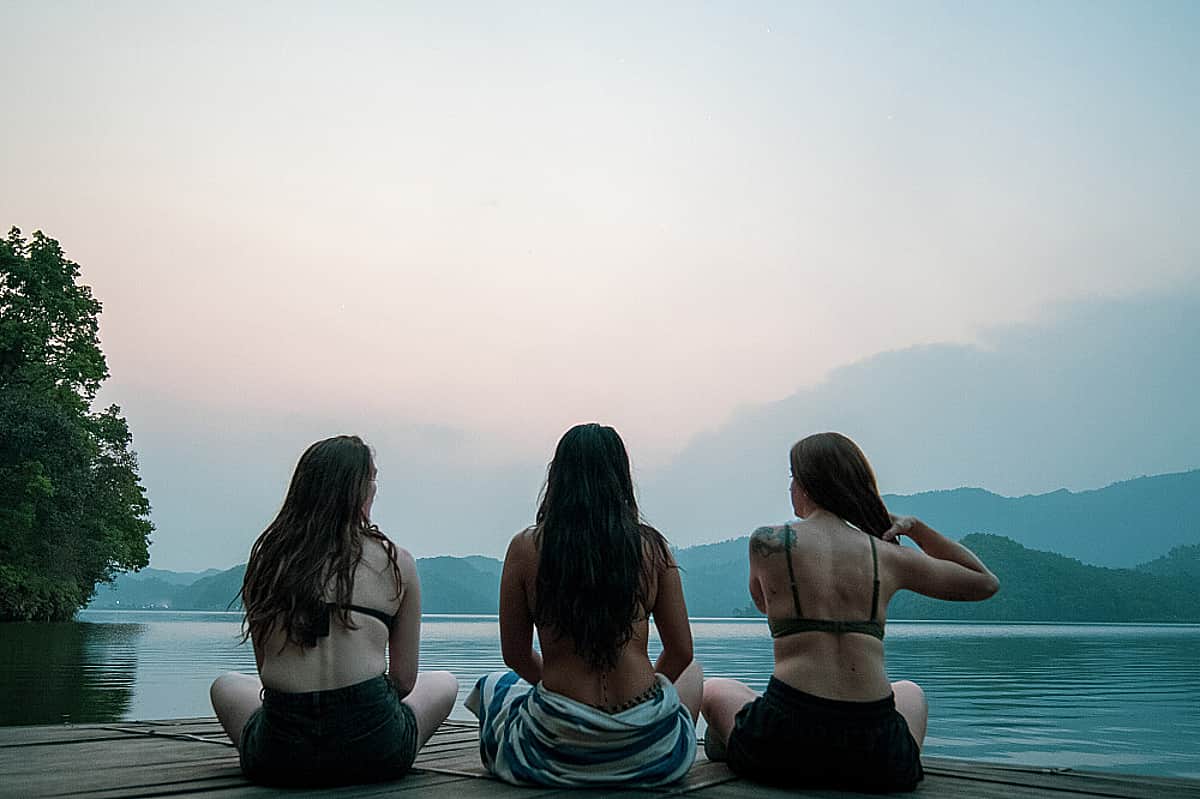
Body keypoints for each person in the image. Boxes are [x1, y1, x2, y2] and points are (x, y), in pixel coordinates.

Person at [701, 432, 999, 793]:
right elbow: (984, 582)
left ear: (807, 485)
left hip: (782, 744)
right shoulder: (888, 556)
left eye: (793, 478)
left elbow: (765, 607)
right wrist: (917, 529)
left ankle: (729, 744)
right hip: (877, 753)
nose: (791, 487)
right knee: (909, 691)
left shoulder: (767, 543)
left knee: (713, 688)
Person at [209, 435, 458, 787]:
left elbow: (268, 672)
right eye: (373, 480)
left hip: (281, 755)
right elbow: (404, 682)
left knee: (226, 685)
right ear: (361, 490)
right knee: (445, 682)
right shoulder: (397, 563)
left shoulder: (269, 561)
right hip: (376, 750)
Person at [466, 423, 702, 787]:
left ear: (557, 478)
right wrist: (647, 698)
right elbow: (681, 652)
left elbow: (515, 655)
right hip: (651, 754)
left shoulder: (526, 548)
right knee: (696, 672)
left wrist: (561, 693)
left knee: (494, 684)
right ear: (621, 478)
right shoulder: (652, 550)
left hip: (556, 753)